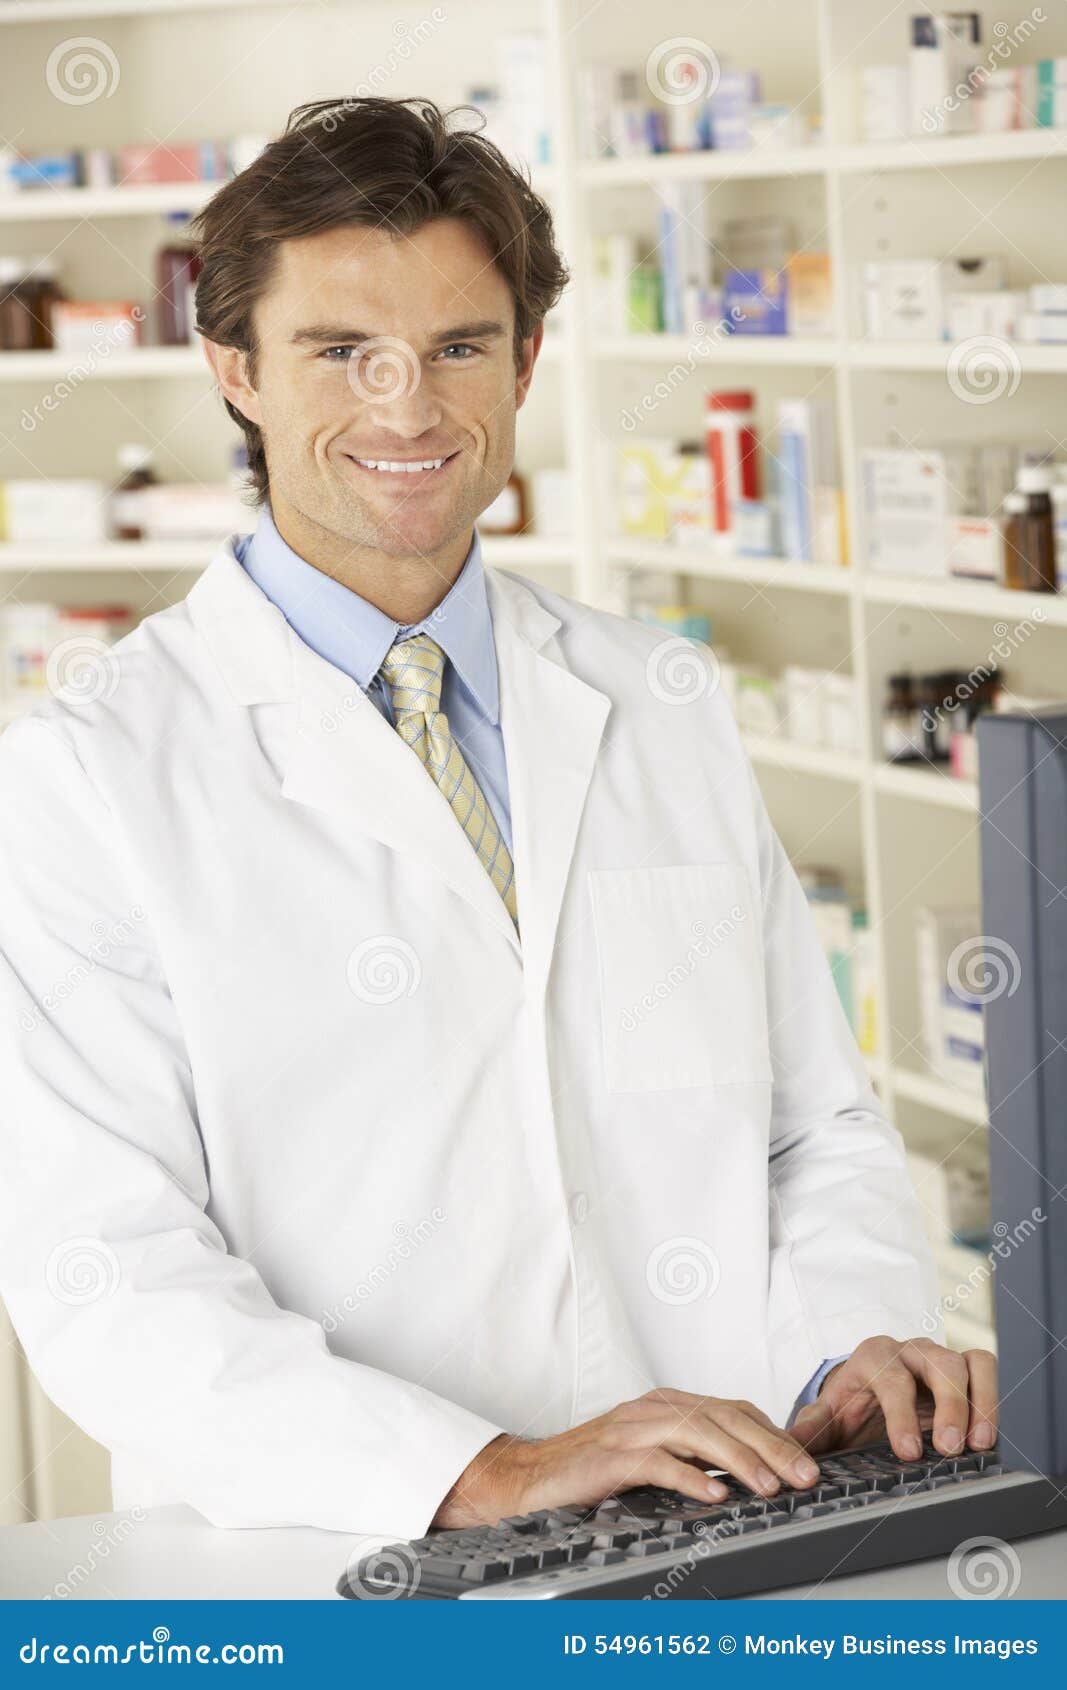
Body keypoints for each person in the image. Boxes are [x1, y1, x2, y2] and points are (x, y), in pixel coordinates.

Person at [0, 98, 995, 1541]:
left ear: (526, 361)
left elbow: (811, 1123)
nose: (409, 406)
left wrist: (849, 1343)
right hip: (341, 1561)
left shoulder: (659, 698)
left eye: (460, 346)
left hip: (719, 1535)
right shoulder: (87, 774)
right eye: (343, 352)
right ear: (235, 372)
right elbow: (105, 1266)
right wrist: (483, 1470)